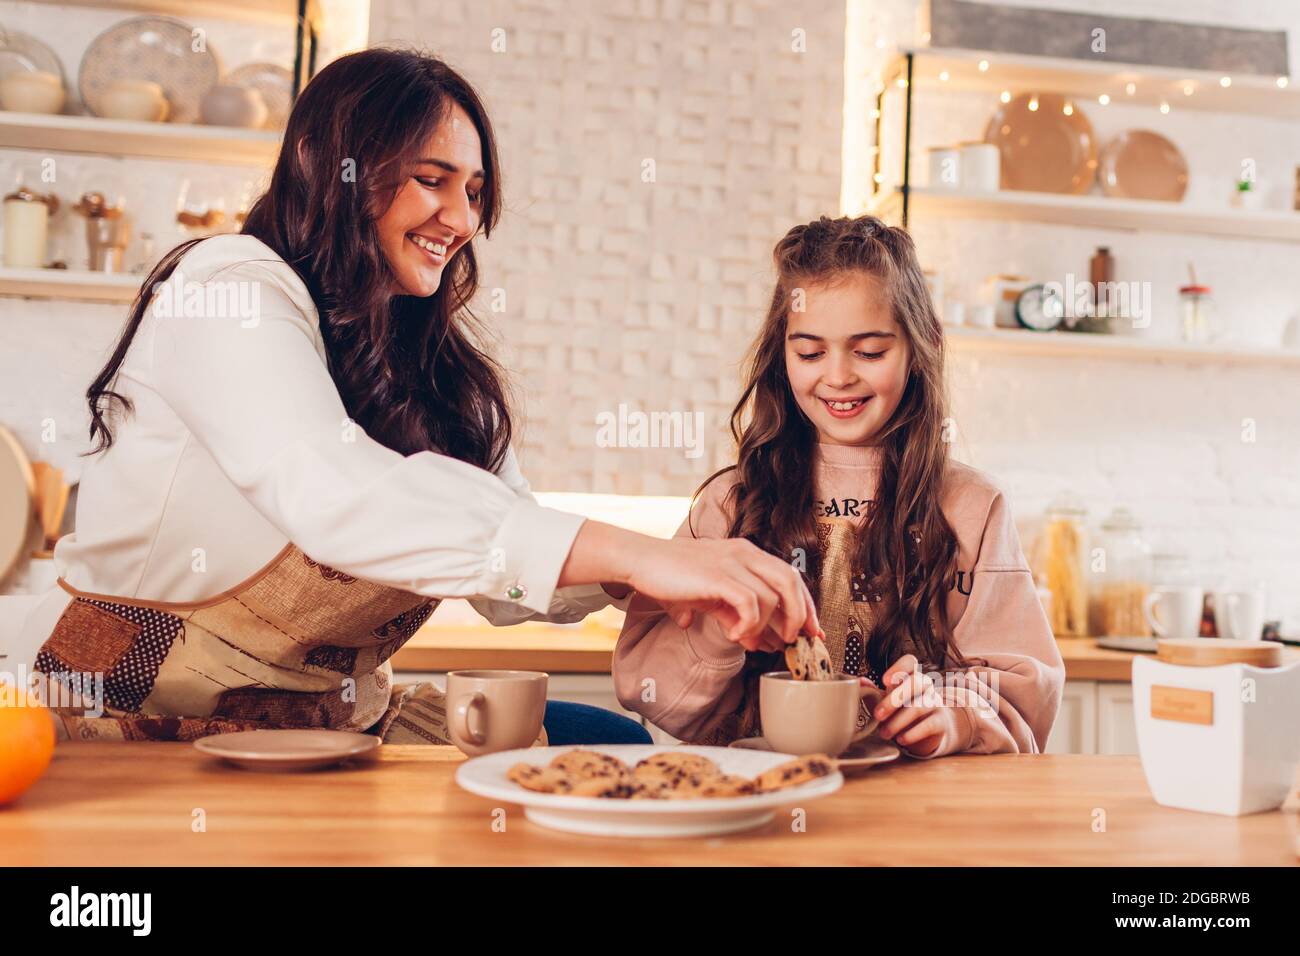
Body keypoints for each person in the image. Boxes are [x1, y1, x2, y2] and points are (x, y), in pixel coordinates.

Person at [1, 49, 820, 745]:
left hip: (324, 741)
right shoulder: (225, 286)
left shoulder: (426, 359)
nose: (461, 217)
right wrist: (651, 559)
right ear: (337, 169)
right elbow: (334, 491)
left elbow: (509, 568)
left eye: (473, 191)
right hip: (115, 732)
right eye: (433, 180)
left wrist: (675, 571)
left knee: (607, 759)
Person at [614, 215, 1065, 756]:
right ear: (781, 356)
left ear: (921, 347)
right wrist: (720, 630)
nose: (838, 375)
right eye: (809, 352)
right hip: (757, 806)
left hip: (914, 812)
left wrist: (955, 714)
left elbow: (1026, 692)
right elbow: (650, 694)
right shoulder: (729, 503)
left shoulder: (972, 507)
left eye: (870, 351)